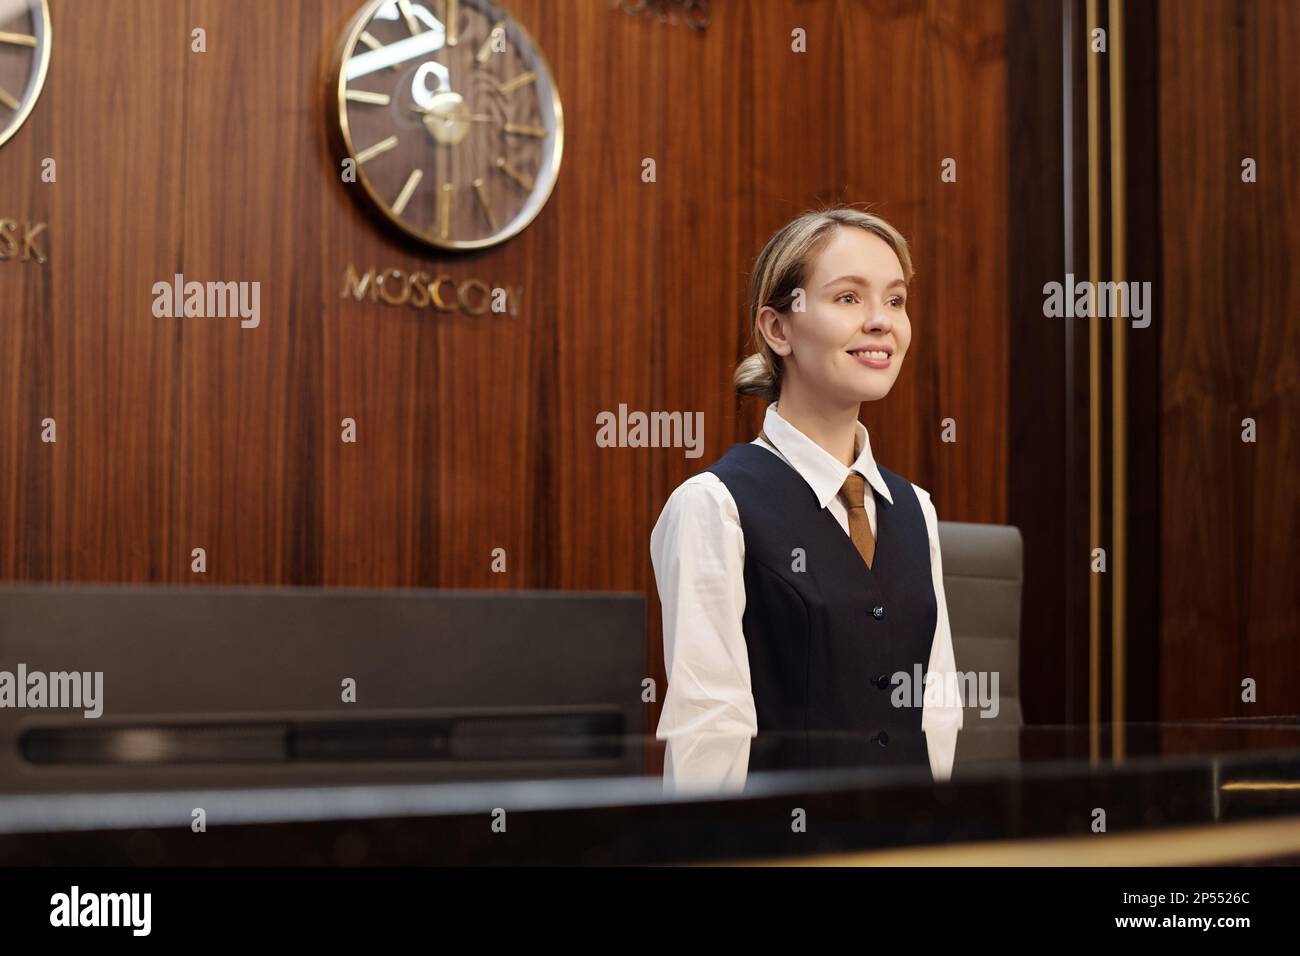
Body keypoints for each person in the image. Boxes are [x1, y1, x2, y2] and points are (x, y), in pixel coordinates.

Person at [651, 207, 964, 777]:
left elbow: (937, 714)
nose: (881, 321)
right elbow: (708, 731)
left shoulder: (916, 508)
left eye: (895, 301)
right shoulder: (714, 505)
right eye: (848, 298)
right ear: (778, 328)